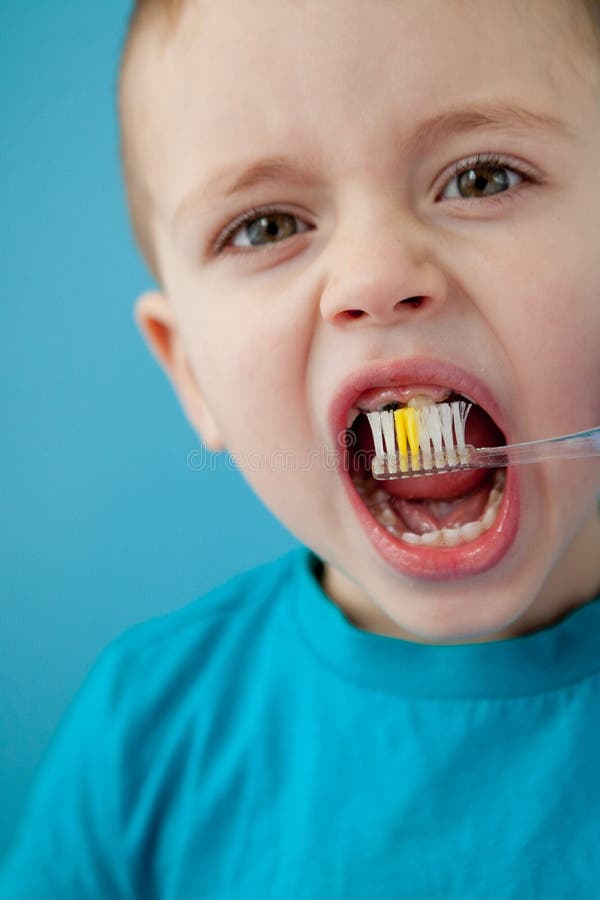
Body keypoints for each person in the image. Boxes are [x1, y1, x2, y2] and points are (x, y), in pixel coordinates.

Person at [2, 0, 600, 896]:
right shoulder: (143, 737)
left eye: (480, 178)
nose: (375, 277)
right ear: (190, 374)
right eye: (267, 227)